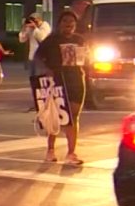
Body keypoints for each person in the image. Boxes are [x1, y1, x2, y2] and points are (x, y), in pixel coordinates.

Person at [35, 10, 89, 165]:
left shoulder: (80, 40)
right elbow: (38, 58)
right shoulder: (51, 40)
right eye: (65, 21)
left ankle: (71, 153)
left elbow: (88, 59)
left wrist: (87, 57)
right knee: (56, 115)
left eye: (72, 22)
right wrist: (47, 70)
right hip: (57, 80)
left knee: (73, 116)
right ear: (59, 24)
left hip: (77, 80)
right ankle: (50, 150)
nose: (69, 25)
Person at [19, 12, 53, 111]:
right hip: (32, 57)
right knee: (33, 81)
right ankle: (36, 102)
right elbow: (22, 39)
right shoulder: (30, 28)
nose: (33, 22)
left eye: (35, 20)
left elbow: (42, 38)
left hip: (41, 58)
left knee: (41, 81)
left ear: (39, 19)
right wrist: (24, 28)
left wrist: (35, 28)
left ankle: (43, 102)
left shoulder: (45, 26)